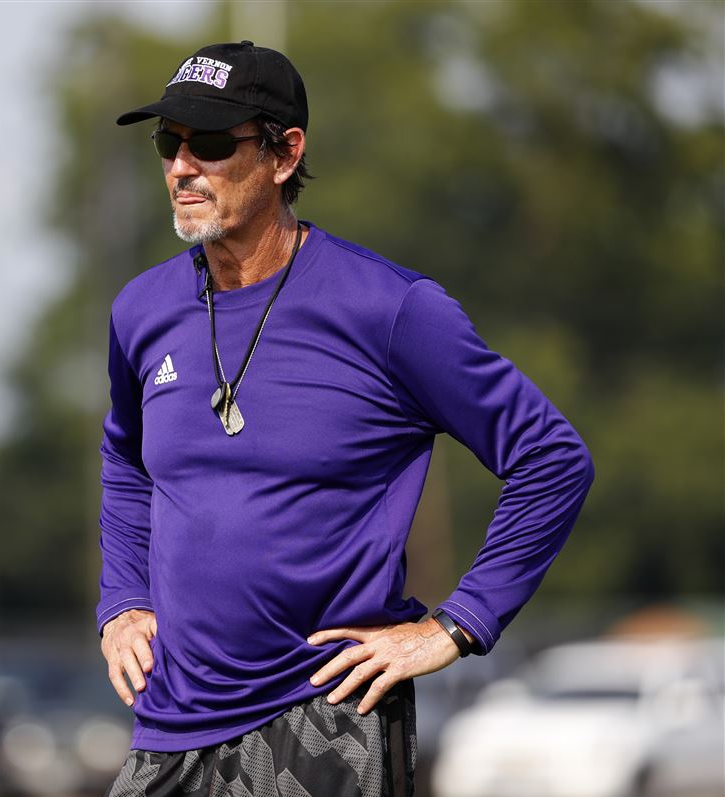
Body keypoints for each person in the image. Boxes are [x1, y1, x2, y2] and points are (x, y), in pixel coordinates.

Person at [95, 41, 594, 797]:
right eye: (170, 142)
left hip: (324, 714)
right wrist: (123, 601)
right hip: (169, 723)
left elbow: (551, 458)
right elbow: (127, 463)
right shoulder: (141, 310)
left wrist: (458, 624)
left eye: (213, 143)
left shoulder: (391, 310)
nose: (182, 166)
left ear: (284, 154)